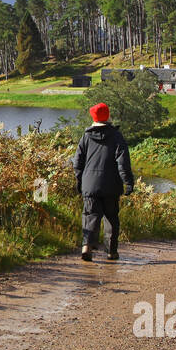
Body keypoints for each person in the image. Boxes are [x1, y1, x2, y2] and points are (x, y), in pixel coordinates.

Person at [73, 102, 134, 262]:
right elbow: (123, 162)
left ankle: (86, 246)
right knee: (111, 218)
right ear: (107, 117)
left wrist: (80, 181)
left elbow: (77, 162)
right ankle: (111, 252)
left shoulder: (86, 136)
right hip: (111, 185)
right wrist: (128, 182)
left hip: (89, 184)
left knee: (90, 215)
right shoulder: (116, 136)